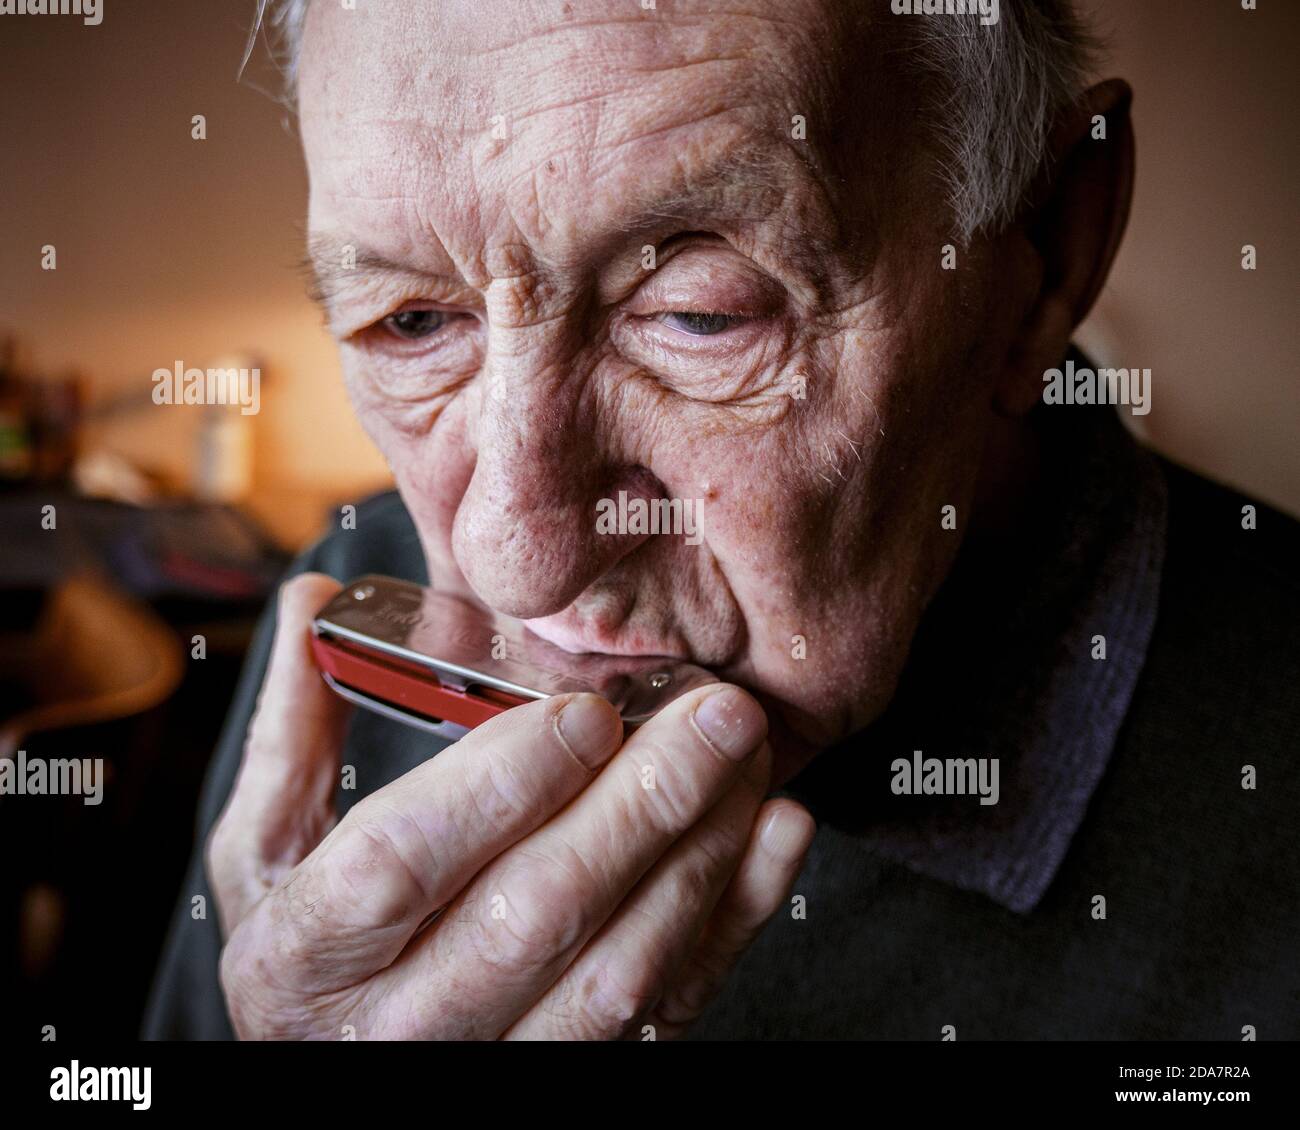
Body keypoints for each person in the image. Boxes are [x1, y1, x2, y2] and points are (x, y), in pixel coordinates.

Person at [144, 0, 1300, 1039]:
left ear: (1043, 251)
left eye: (698, 315)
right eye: (409, 324)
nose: (511, 555)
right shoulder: (354, 606)